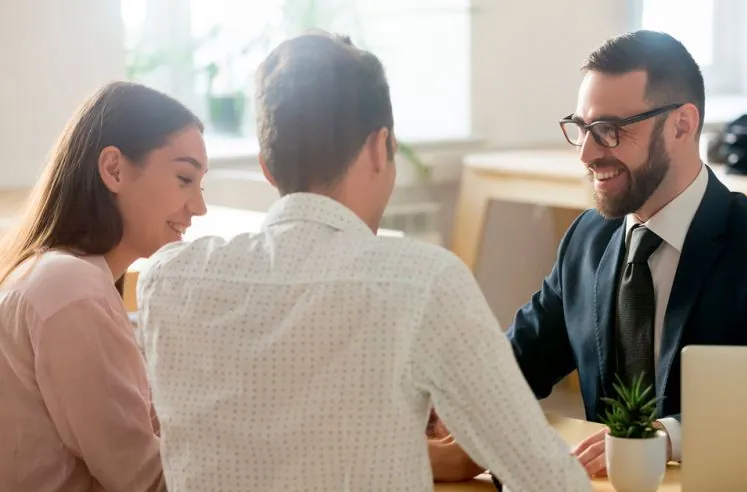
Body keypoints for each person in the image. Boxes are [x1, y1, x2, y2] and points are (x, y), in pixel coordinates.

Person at [136, 31, 591, 492]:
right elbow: (547, 478)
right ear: (381, 147)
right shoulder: (424, 281)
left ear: (268, 167)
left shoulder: (167, 280)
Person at [430, 29, 747, 480]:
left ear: (681, 125)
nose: (587, 153)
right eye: (582, 128)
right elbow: (517, 360)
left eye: (609, 131)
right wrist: (443, 405)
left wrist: (665, 437)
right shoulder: (587, 239)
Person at [0, 81, 207, 491]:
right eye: (185, 178)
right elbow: (143, 480)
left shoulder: (64, 277)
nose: (198, 207)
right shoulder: (70, 290)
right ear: (113, 169)